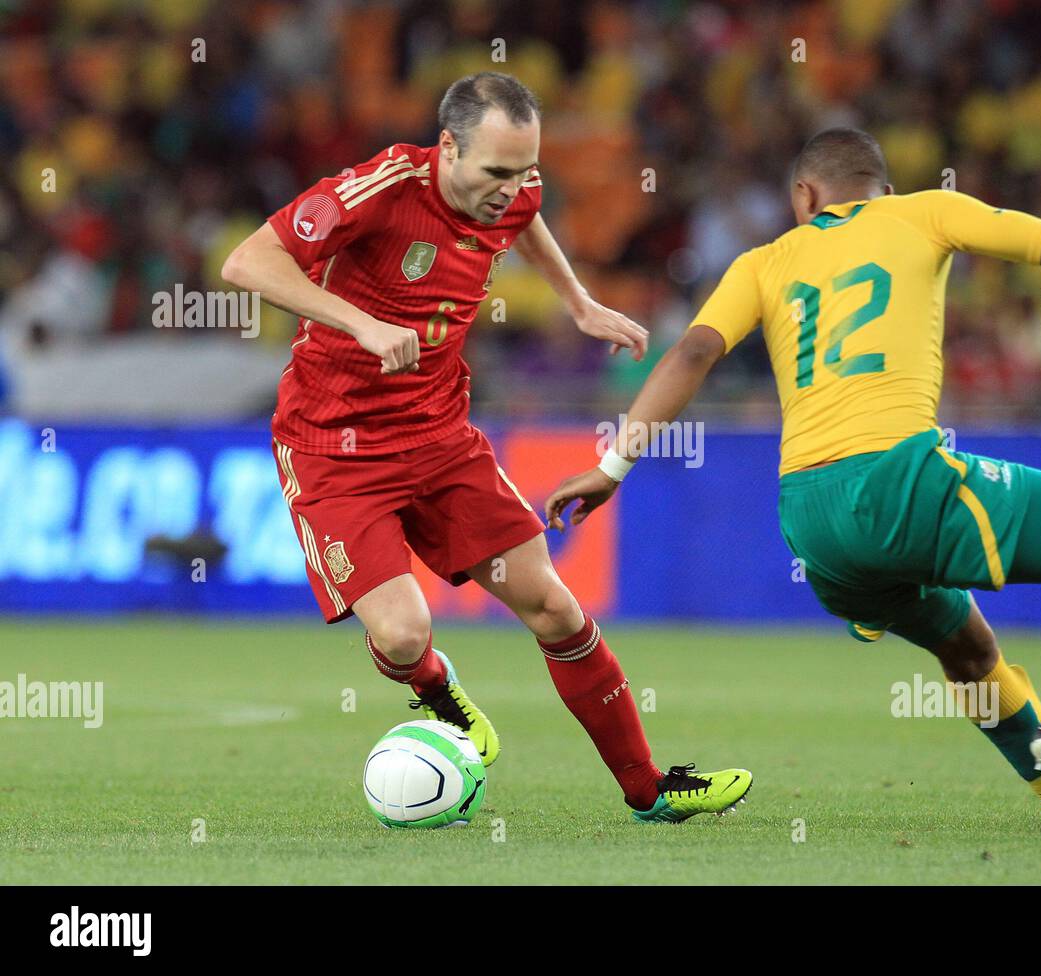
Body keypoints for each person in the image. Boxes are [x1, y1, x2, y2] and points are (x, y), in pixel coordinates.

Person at [545, 127, 1041, 835]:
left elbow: (692, 351)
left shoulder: (764, 260)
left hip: (810, 523)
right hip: (901, 476)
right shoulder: (927, 210)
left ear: (803, 196)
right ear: (885, 189)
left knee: (968, 649)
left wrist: (611, 466)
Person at [222, 71, 750, 824]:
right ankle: (439, 693)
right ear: (447, 148)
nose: (513, 189)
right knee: (404, 634)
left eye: (526, 170)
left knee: (554, 606)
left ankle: (649, 789)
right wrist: (360, 324)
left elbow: (525, 220)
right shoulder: (381, 188)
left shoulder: (515, 190)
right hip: (332, 446)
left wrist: (578, 302)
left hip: (438, 435)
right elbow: (245, 264)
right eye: (497, 172)